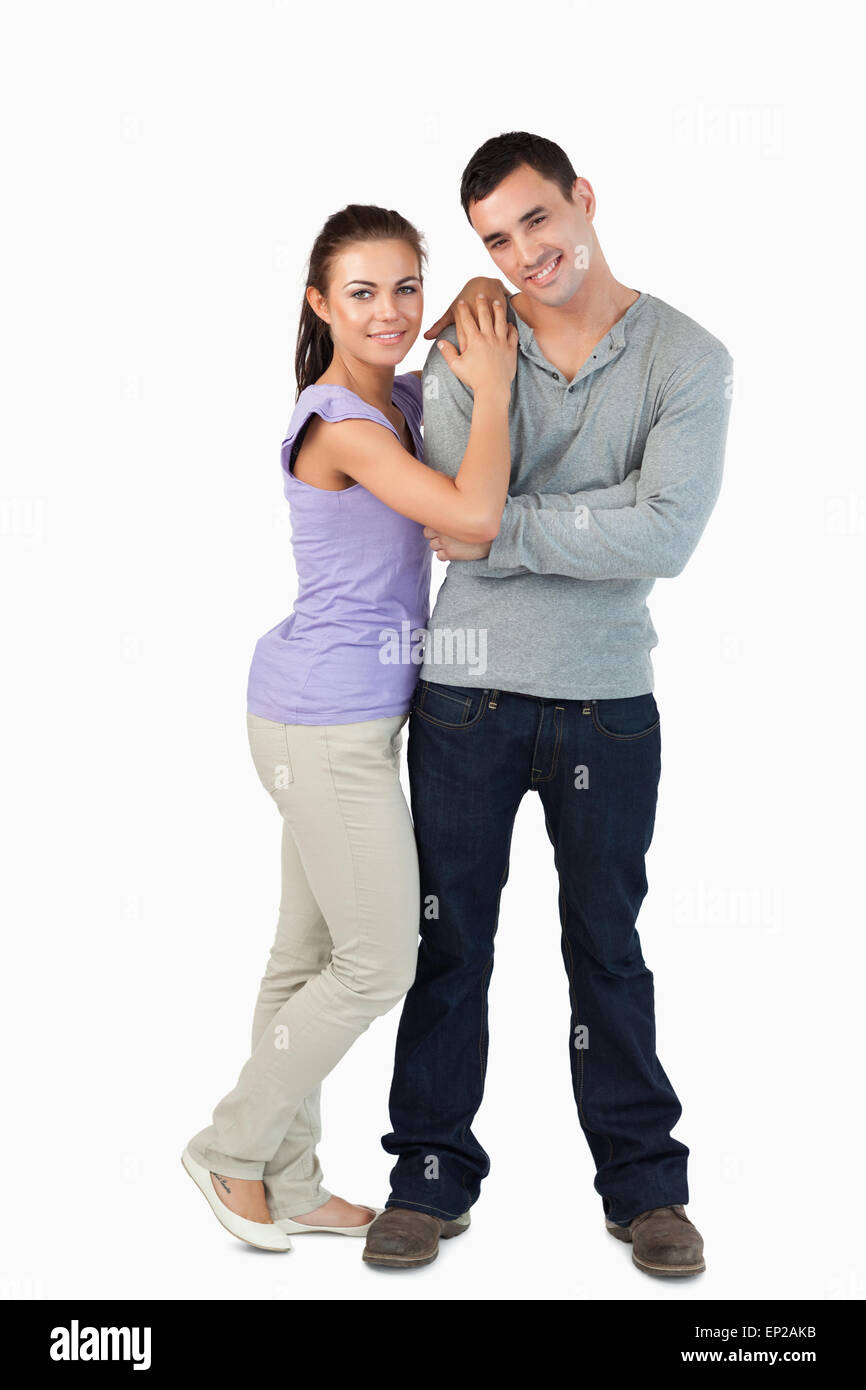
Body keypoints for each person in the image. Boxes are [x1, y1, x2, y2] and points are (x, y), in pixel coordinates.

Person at [364, 132, 734, 1276]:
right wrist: (566, 512)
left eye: (535, 220)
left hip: (606, 701)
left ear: (582, 198)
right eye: (493, 240)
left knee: (606, 949)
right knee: (447, 943)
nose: (523, 254)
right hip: (466, 694)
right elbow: (442, 495)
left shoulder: (686, 357)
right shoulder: (476, 336)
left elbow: (663, 534)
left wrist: (505, 525)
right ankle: (426, 1175)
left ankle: (644, 1188)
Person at [182, 203, 518, 1252]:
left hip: (340, 716)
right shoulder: (341, 425)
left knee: (305, 952)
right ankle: (231, 1145)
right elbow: (467, 523)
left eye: (404, 288)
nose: (387, 310)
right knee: (378, 959)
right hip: (319, 721)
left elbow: (486, 307)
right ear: (320, 305)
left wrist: (469, 299)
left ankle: (285, 1177)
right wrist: (498, 387)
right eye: (360, 292)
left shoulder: (402, 403)